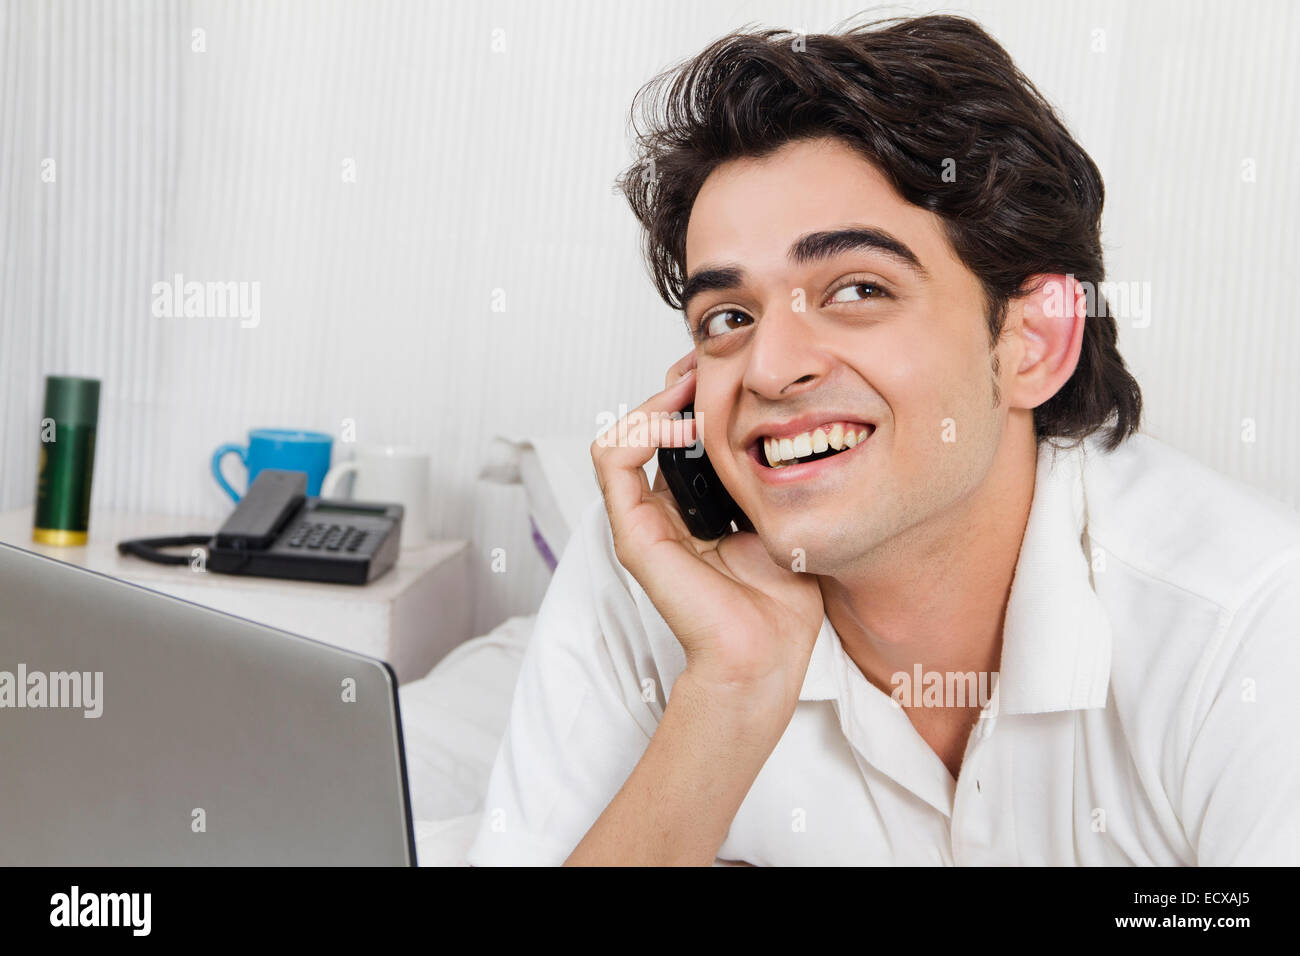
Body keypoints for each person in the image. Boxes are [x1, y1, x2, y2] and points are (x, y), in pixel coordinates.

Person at [467, 13, 1300, 866]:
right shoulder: (648, 571)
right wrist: (731, 691)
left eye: (858, 289)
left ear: (1034, 343)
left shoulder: (1249, 628)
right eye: (729, 316)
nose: (769, 369)